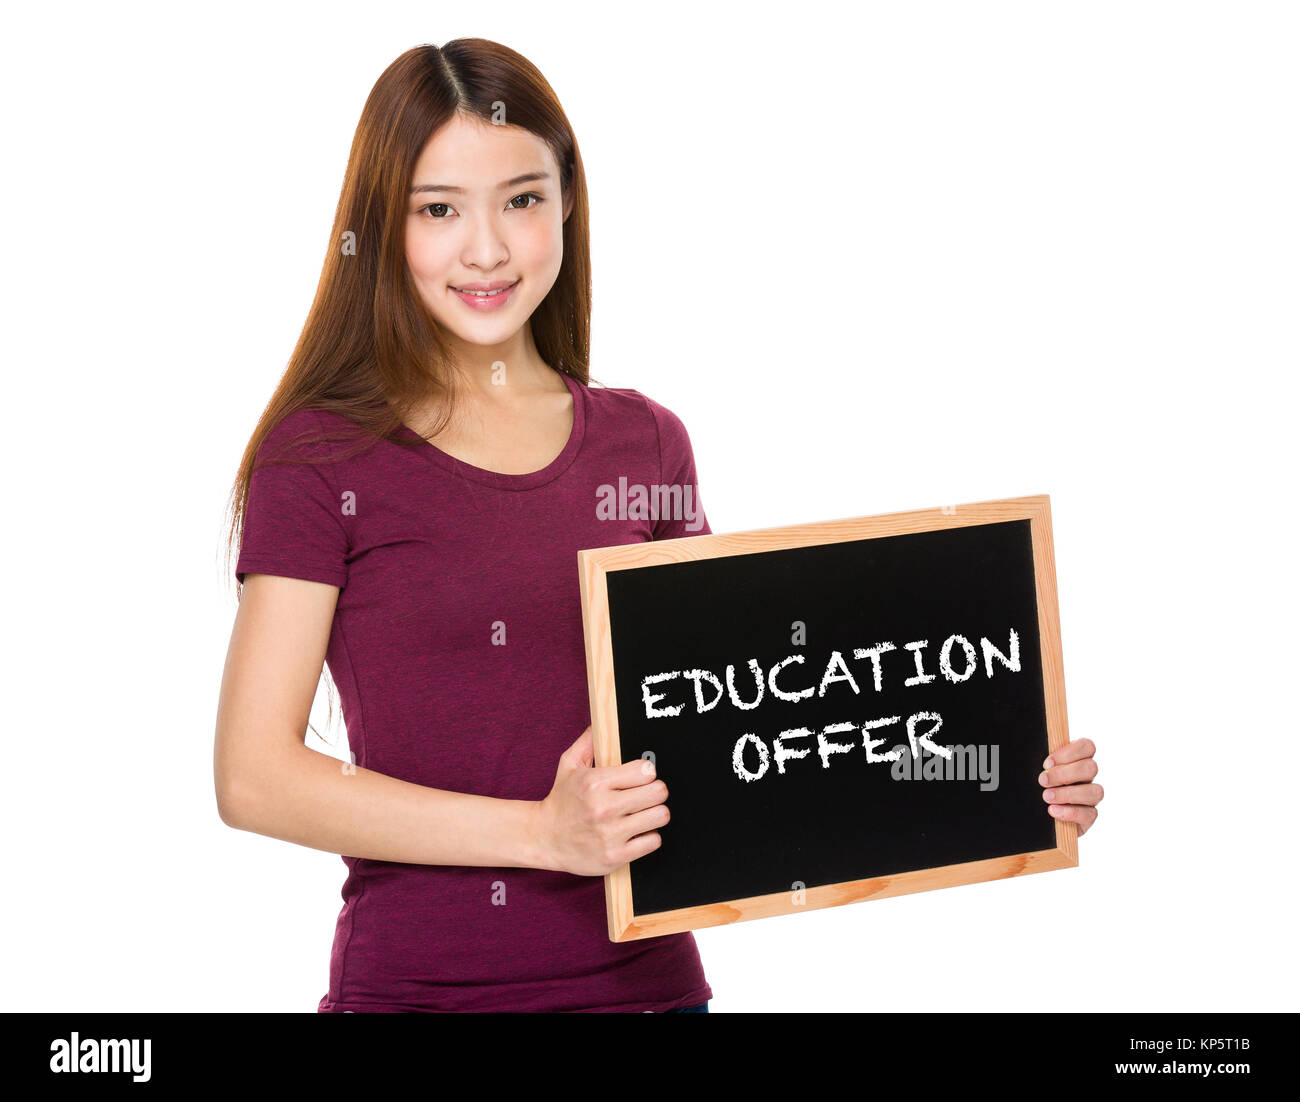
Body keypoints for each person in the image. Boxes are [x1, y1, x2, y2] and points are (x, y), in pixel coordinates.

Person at [215, 38, 1102, 1015]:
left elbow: (756, 723)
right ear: (383, 227)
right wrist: (541, 837)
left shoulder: (643, 444)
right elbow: (254, 776)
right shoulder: (324, 458)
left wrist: (990, 770)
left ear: (566, 205)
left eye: (522, 198)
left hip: (652, 995)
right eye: (439, 209)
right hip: (419, 997)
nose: (488, 249)